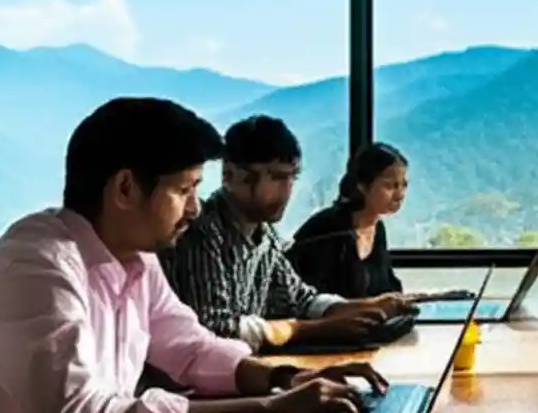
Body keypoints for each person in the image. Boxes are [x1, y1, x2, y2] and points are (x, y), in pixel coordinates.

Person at [0, 97, 387, 413]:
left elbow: (191, 348)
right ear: (125, 188)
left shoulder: (133, 260)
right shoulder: (36, 266)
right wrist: (268, 409)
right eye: (184, 190)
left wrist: (287, 378)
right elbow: (88, 412)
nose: (196, 210)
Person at [159, 115, 410, 355]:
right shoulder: (204, 232)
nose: (288, 190)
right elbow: (215, 327)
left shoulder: (265, 236)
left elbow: (299, 299)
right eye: (277, 177)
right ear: (230, 176)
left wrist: (368, 306)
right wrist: (315, 330)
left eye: (292, 177)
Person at [288, 142, 407, 300]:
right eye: (390, 186)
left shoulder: (377, 228)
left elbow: (386, 285)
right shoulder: (328, 229)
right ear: (363, 186)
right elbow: (311, 296)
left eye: (403, 185)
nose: (400, 195)